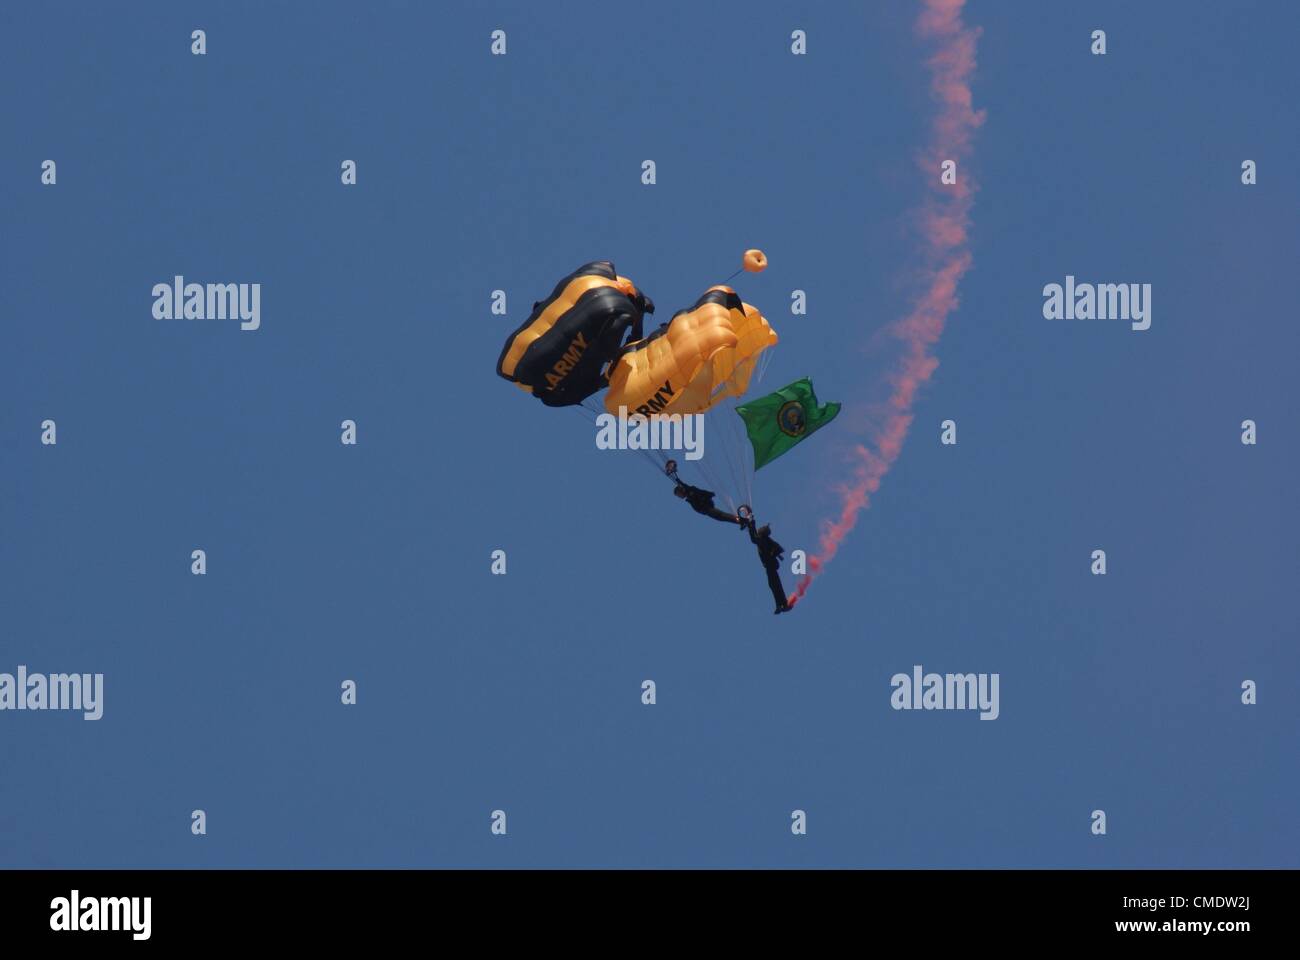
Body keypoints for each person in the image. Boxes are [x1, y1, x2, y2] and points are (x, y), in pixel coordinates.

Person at [741, 512, 792, 614]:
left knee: (775, 585)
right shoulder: (766, 540)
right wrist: (751, 523)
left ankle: (783, 604)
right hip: (770, 566)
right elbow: (755, 537)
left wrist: (751, 524)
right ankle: (780, 604)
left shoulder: (763, 541)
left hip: (770, 566)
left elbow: (754, 538)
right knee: (774, 585)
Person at [672, 479, 743, 525]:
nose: (679, 496)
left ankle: (740, 520)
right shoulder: (689, 496)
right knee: (720, 518)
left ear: (681, 491)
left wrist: (709, 494)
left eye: (678, 494)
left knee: (720, 515)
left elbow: (694, 490)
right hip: (706, 509)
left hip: (707, 506)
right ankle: (740, 521)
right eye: (678, 495)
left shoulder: (690, 491)